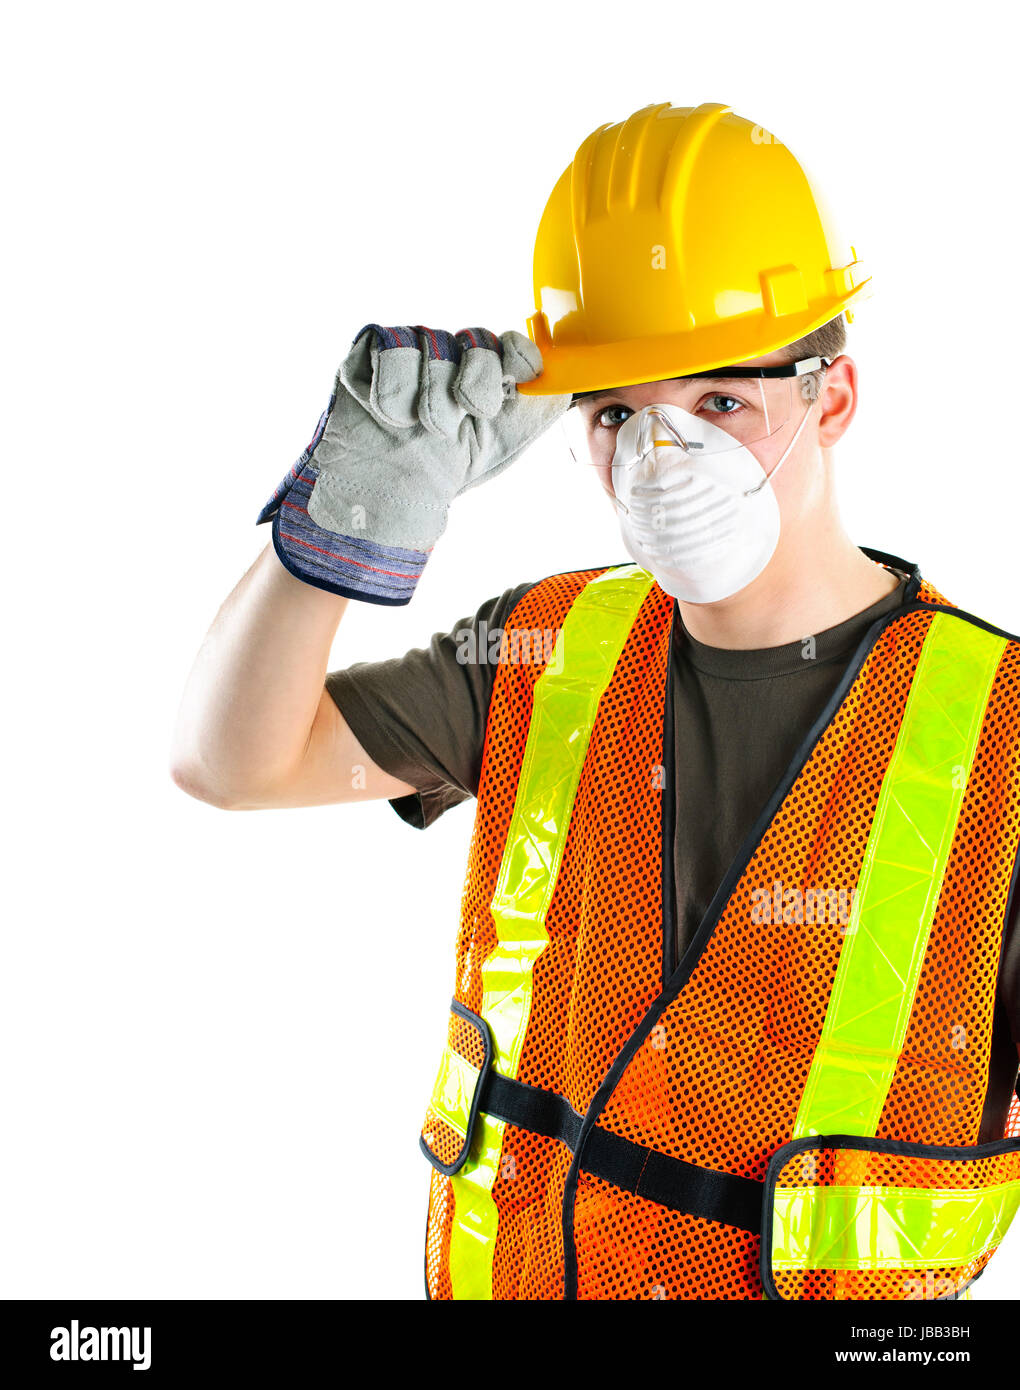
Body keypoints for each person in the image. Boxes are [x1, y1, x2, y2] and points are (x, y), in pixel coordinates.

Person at [170, 101, 1020, 1301]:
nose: (663, 462)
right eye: (618, 412)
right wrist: (331, 535)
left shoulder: (1001, 735)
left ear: (830, 399)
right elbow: (230, 761)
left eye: (722, 403)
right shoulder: (547, 642)